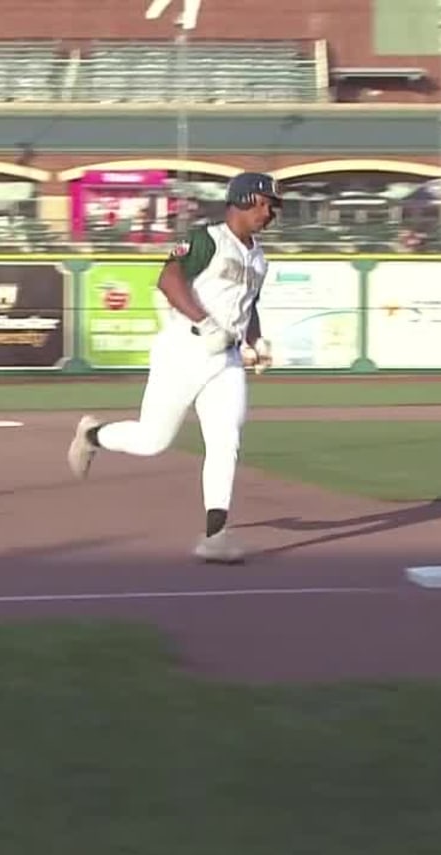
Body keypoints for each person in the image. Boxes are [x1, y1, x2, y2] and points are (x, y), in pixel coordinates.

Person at [66, 172, 281, 563]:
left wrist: (256, 340)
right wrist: (206, 322)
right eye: (265, 203)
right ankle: (93, 435)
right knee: (153, 441)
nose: (270, 212)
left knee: (225, 439)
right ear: (244, 200)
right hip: (185, 349)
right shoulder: (206, 239)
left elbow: (247, 308)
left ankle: (215, 535)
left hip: (227, 359)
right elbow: (168, 280)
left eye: (272, 206)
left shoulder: (259, 256)